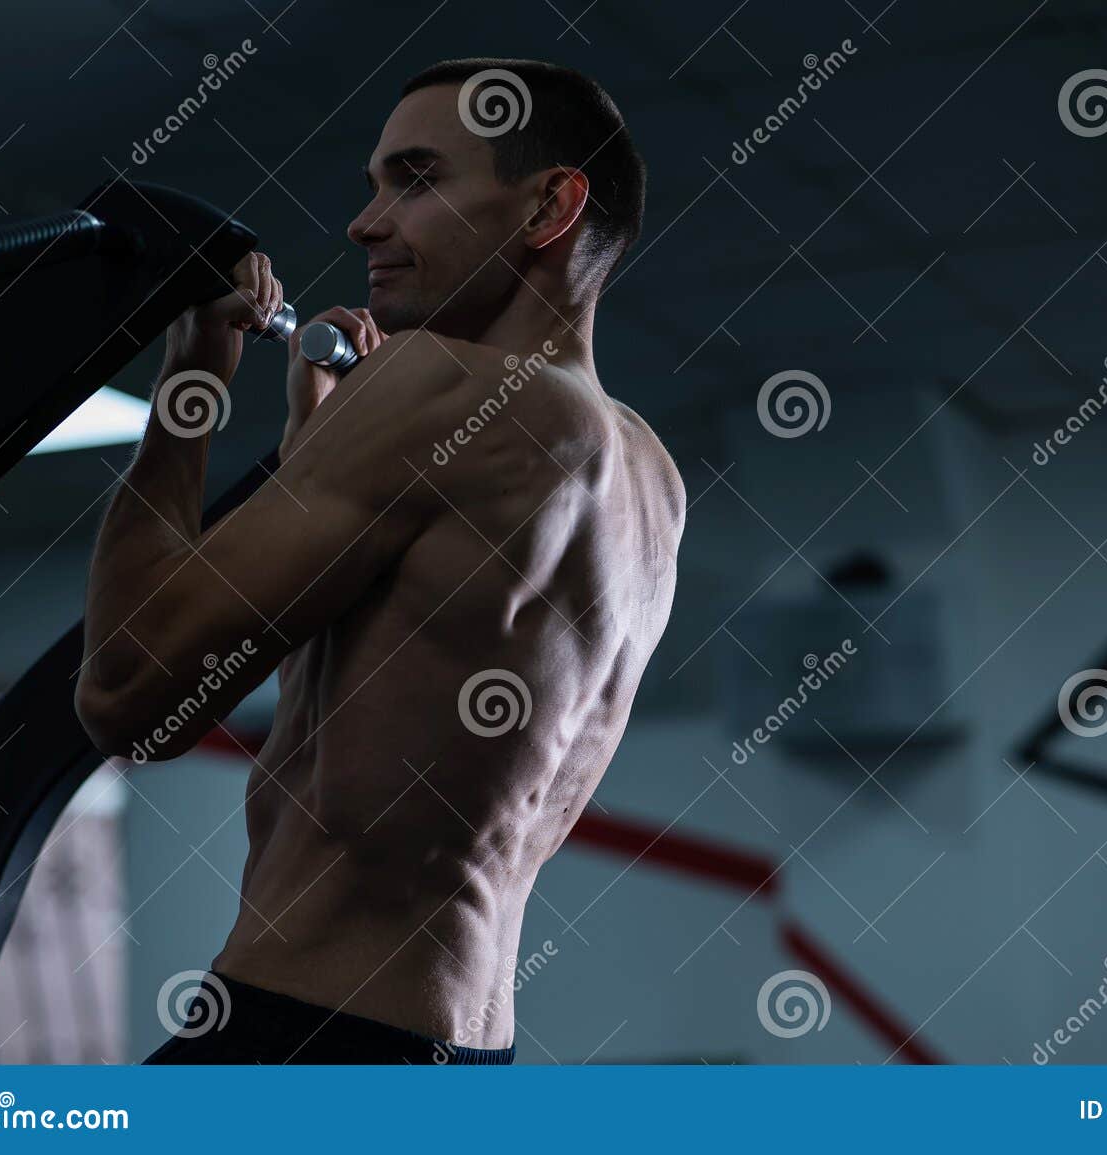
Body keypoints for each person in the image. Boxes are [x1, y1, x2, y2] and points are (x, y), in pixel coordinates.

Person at [74, 57, 684, 1064]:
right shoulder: (648, 477)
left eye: (415, 179)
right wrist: (314, 446)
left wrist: (191, 379)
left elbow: (130, 693)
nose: (365, 223)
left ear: (548, 205)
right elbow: (399, 693)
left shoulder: (441, 384)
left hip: (299, 1043)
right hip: (465, 1052)